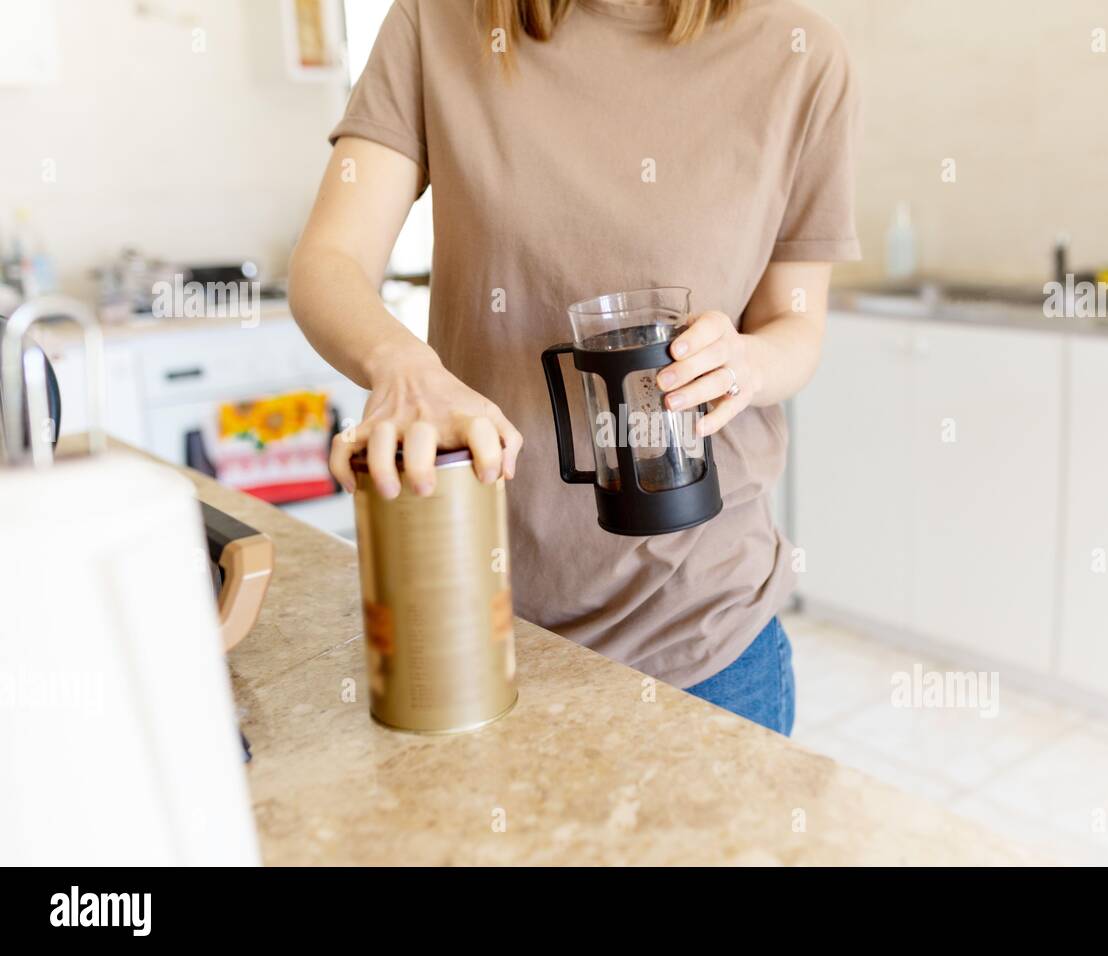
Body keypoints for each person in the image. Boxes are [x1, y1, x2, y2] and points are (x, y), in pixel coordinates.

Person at [288, 0, 860, 735]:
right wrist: (401, 364)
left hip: (706, 639)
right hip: (475, 620)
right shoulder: (439, 22)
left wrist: (744, 363)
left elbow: (797, 326)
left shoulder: (802, 54)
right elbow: (327, 261)